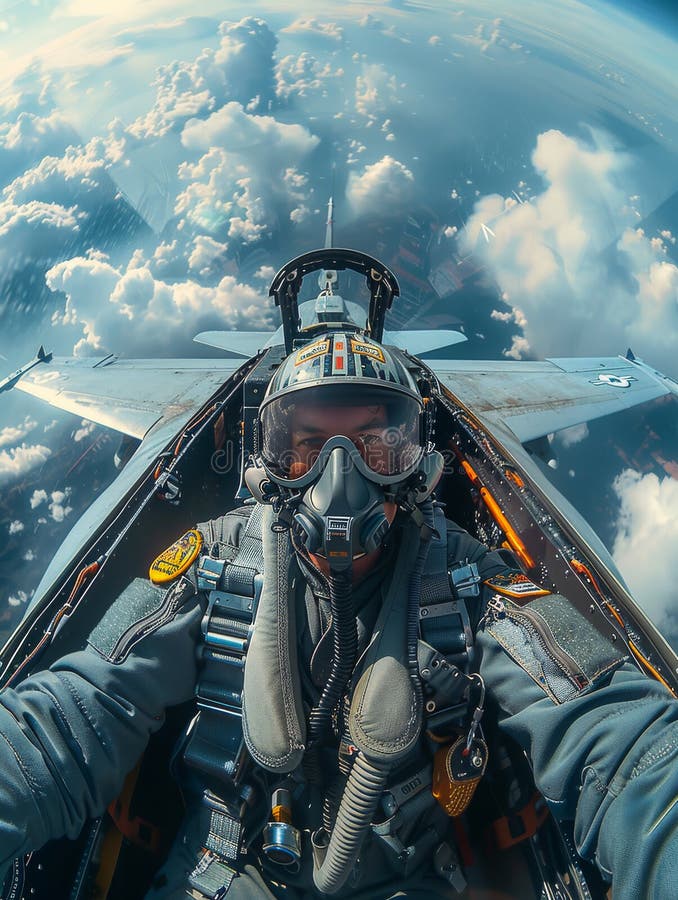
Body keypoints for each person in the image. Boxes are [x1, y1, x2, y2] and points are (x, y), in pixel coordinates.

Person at [0, 331, 677, 900]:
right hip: (228, 873)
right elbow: (71, 714)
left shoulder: (470, 580)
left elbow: (615, 739)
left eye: (374, 446)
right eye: (308, 445)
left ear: (415, 463)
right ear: (270, 465)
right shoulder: (217, 563)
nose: (339, 476)